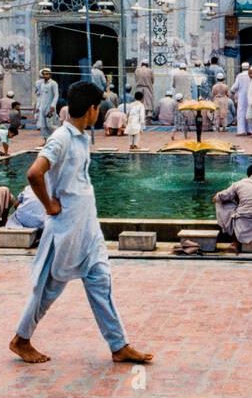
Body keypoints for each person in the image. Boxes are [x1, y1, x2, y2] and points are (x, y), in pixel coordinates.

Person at [10, 81, 151, 366]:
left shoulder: (80, 137)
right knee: (49, 288)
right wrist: (49, 205)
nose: (98, 113)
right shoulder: (61, 137)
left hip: (87, 227)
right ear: (91, 109)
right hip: (66, 229)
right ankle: (21, 339)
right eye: (98, 108)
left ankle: (118, 344)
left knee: (101, 281)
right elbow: (34, 173)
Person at [233, 62, 252, 136]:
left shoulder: (239, 76)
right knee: (250, 113)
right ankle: (250, 130)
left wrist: (232, 91)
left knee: (241, 113)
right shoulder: (251, 75)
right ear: (249, 67)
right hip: (250, 97)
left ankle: (241, 131)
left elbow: (235, 86)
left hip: (242, 98)